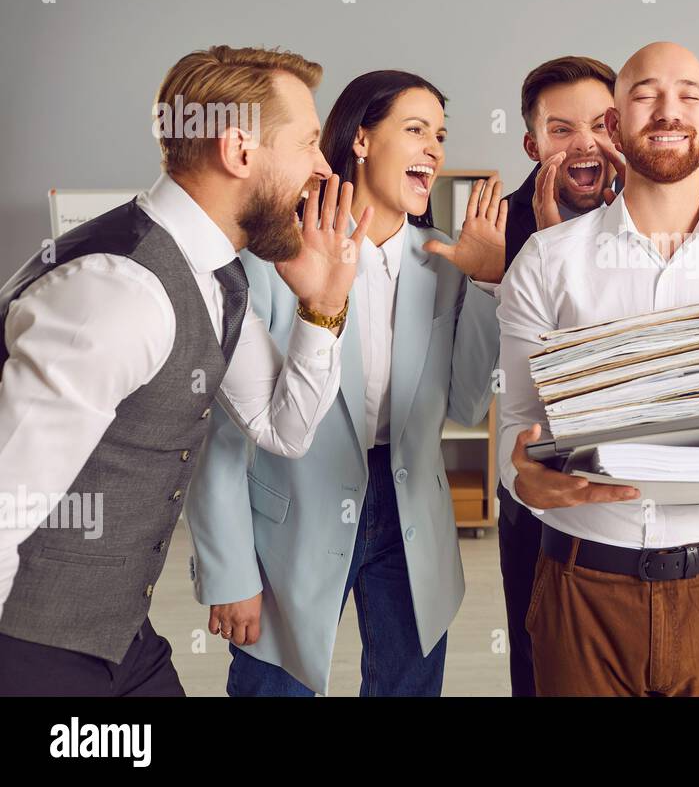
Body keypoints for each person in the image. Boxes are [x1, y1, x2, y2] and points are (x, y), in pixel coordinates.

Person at [0, 45, 369, 695]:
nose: (321, 166)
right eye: (308, 143)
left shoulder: (214, 274)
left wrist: (323, 307)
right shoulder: (119, 293)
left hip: (121, 638)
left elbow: (283, 428)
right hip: (31, 649)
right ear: (239, 151)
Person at [497, 41, 699, 696]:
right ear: (616, 123)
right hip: (579, 591)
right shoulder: (545, 262)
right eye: (645, 93)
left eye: (688, 96)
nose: (668, 110)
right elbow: (515, 433)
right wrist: (525, 476)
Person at [188, 70, 505, 696]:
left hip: (411, 509)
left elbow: (469, 404)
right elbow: (219, 436)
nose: (433, 149)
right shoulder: (275, 256)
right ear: (360, 141)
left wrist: (490, 285)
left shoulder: (447, 262)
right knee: (274, 690)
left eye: (439, 135)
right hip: (293, 514)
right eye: (414, 130)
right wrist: (228, 573)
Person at [497, 55, 620, 695]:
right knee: (537, 651)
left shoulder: (660, 214)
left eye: (601, 123)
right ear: (532, 144)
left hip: (634, 481)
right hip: (539, 474)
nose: (585, 144)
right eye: (561, 129)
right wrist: (544, 255)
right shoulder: (502, 230)